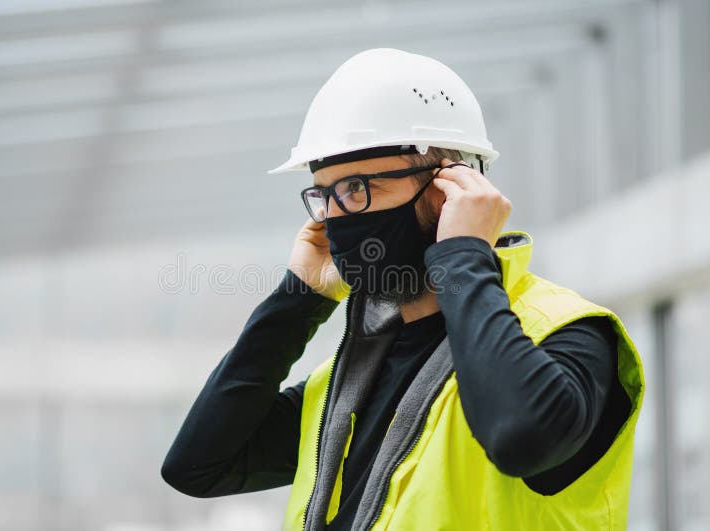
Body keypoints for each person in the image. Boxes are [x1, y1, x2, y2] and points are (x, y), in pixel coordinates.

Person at [161, 48, 646, 530]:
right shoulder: (351, 377)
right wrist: (298, 300)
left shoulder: (569, 335)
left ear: (449, 189)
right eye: (323, 195)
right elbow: (198, 466)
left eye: (355, 188)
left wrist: (464, 257)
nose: (333, 217)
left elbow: (520, 436)